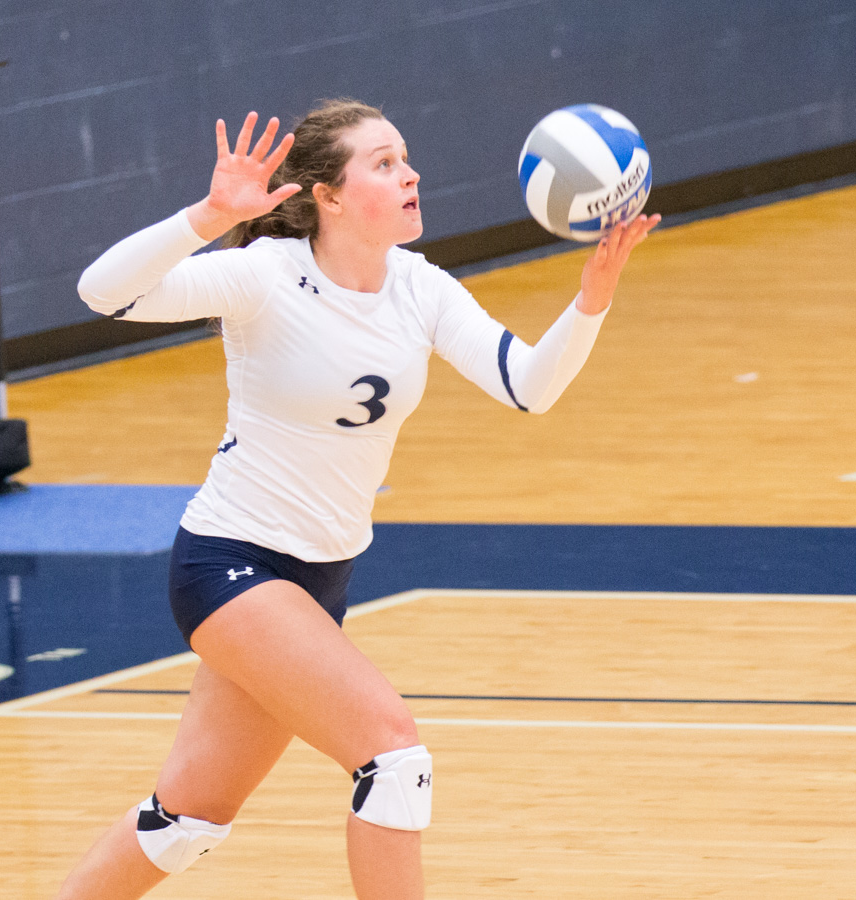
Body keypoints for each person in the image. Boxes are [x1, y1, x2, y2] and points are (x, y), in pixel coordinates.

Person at [61, 99, 659, 900]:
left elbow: (530, 386)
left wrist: (594, 295)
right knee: (393, 754)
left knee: (189, 820)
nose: (410, 172)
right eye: (382, 162)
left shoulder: (421, 287)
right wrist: (208, 214)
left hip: (321, 579)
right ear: (329, 197)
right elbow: (102, 293)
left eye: (404, 156)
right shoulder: (265, 277)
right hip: (230, 564)